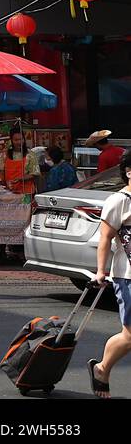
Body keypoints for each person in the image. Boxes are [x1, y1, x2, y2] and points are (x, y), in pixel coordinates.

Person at [89, 152, 131, 398]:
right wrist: (101, 271)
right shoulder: (120, 201)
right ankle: (102, 369)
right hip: (127, 275)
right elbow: (105, 238)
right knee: (130, 335)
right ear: (128, 172)